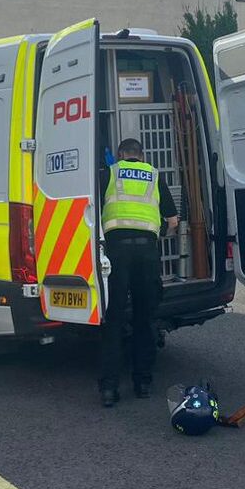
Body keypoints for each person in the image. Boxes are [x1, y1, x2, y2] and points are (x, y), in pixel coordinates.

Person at [98, 138, 177, 408]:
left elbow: (93, 212)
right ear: (141, 156)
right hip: (147, 252)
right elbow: (173, 221)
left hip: (116, 251)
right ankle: (142, 383)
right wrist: (157, 234)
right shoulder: (154, 175)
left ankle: (109, 389)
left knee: (114, 318)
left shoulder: (109, 173)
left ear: (120, 154)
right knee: (145, 318)